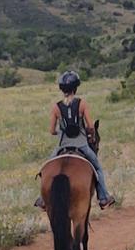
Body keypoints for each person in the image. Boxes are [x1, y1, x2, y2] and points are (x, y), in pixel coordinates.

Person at [47, 70, 115, 208]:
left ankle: (42, 199)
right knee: (98, 168)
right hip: (81, 144)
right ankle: (103, 197)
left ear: (62, 89)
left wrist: (57, 132)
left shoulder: (56, 107)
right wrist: (88, 131)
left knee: (47, 169)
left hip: (63, 145)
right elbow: (90, 126)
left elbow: (52, 130)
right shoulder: (82, 103)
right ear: (75, 88)